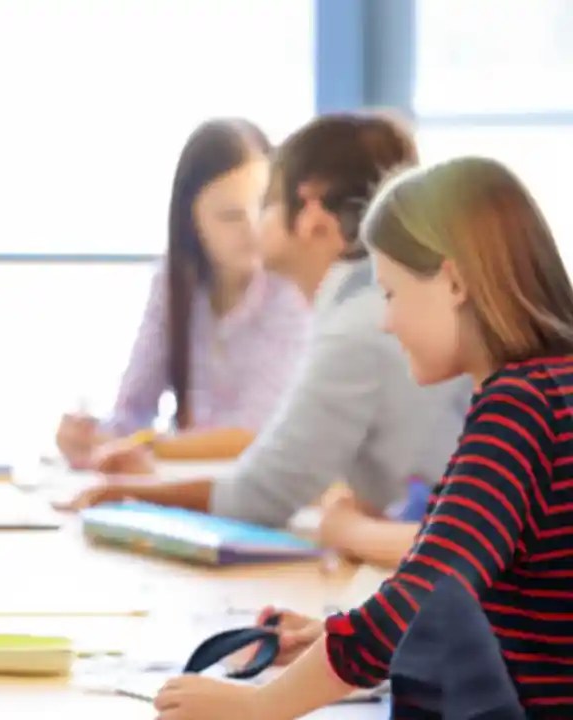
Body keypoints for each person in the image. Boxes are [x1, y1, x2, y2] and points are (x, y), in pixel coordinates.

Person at [153, 156, 573, 718]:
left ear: (453, 282)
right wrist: (337, 639)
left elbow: (428, 594)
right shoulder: (552, 391)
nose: (385, 321)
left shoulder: (520, 407)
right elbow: (450, 593)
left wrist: (262, 706)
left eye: (391, 294)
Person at [69, 113, 473, 529]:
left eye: (265, 203)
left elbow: (260, 495)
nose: (252, 226)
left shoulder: (357, 326)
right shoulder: (367, 303)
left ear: (311, 211)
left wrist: (123, 493)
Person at [55, 118, 309, 469]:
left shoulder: (292, 286)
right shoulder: (174, 282)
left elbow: (256, 434)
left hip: (257, 485)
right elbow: (133, 409)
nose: (252, 229)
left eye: (263, 207)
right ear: (192, 221)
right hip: (187, 482)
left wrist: (144, 446)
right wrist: (91, 436)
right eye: (230, 216)